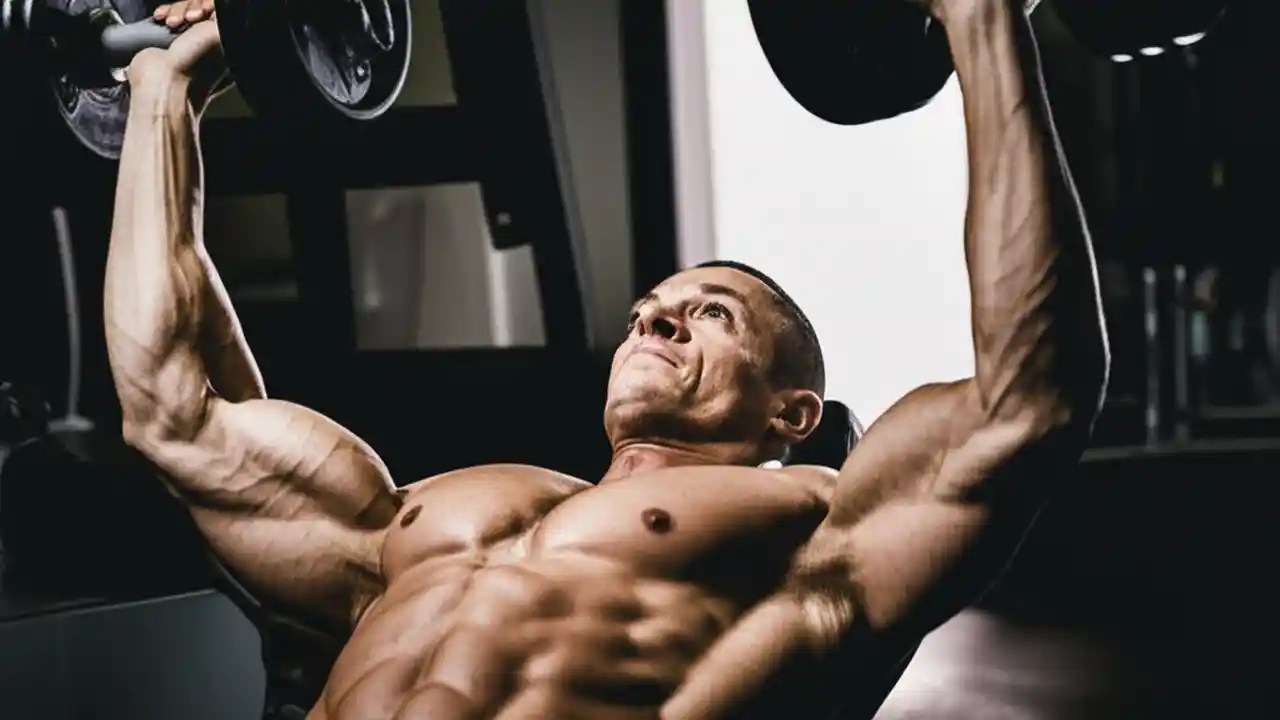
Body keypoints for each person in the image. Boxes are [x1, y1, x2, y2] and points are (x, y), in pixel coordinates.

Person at [105, 0, 1108, 717]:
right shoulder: (414, 518)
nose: (656, 322)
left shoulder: (814, 534)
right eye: (646, 311)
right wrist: (166, 93)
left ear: (792, 411)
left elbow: (1027, 401)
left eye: (709, 314)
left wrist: (979, 21)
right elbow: (174, 412)